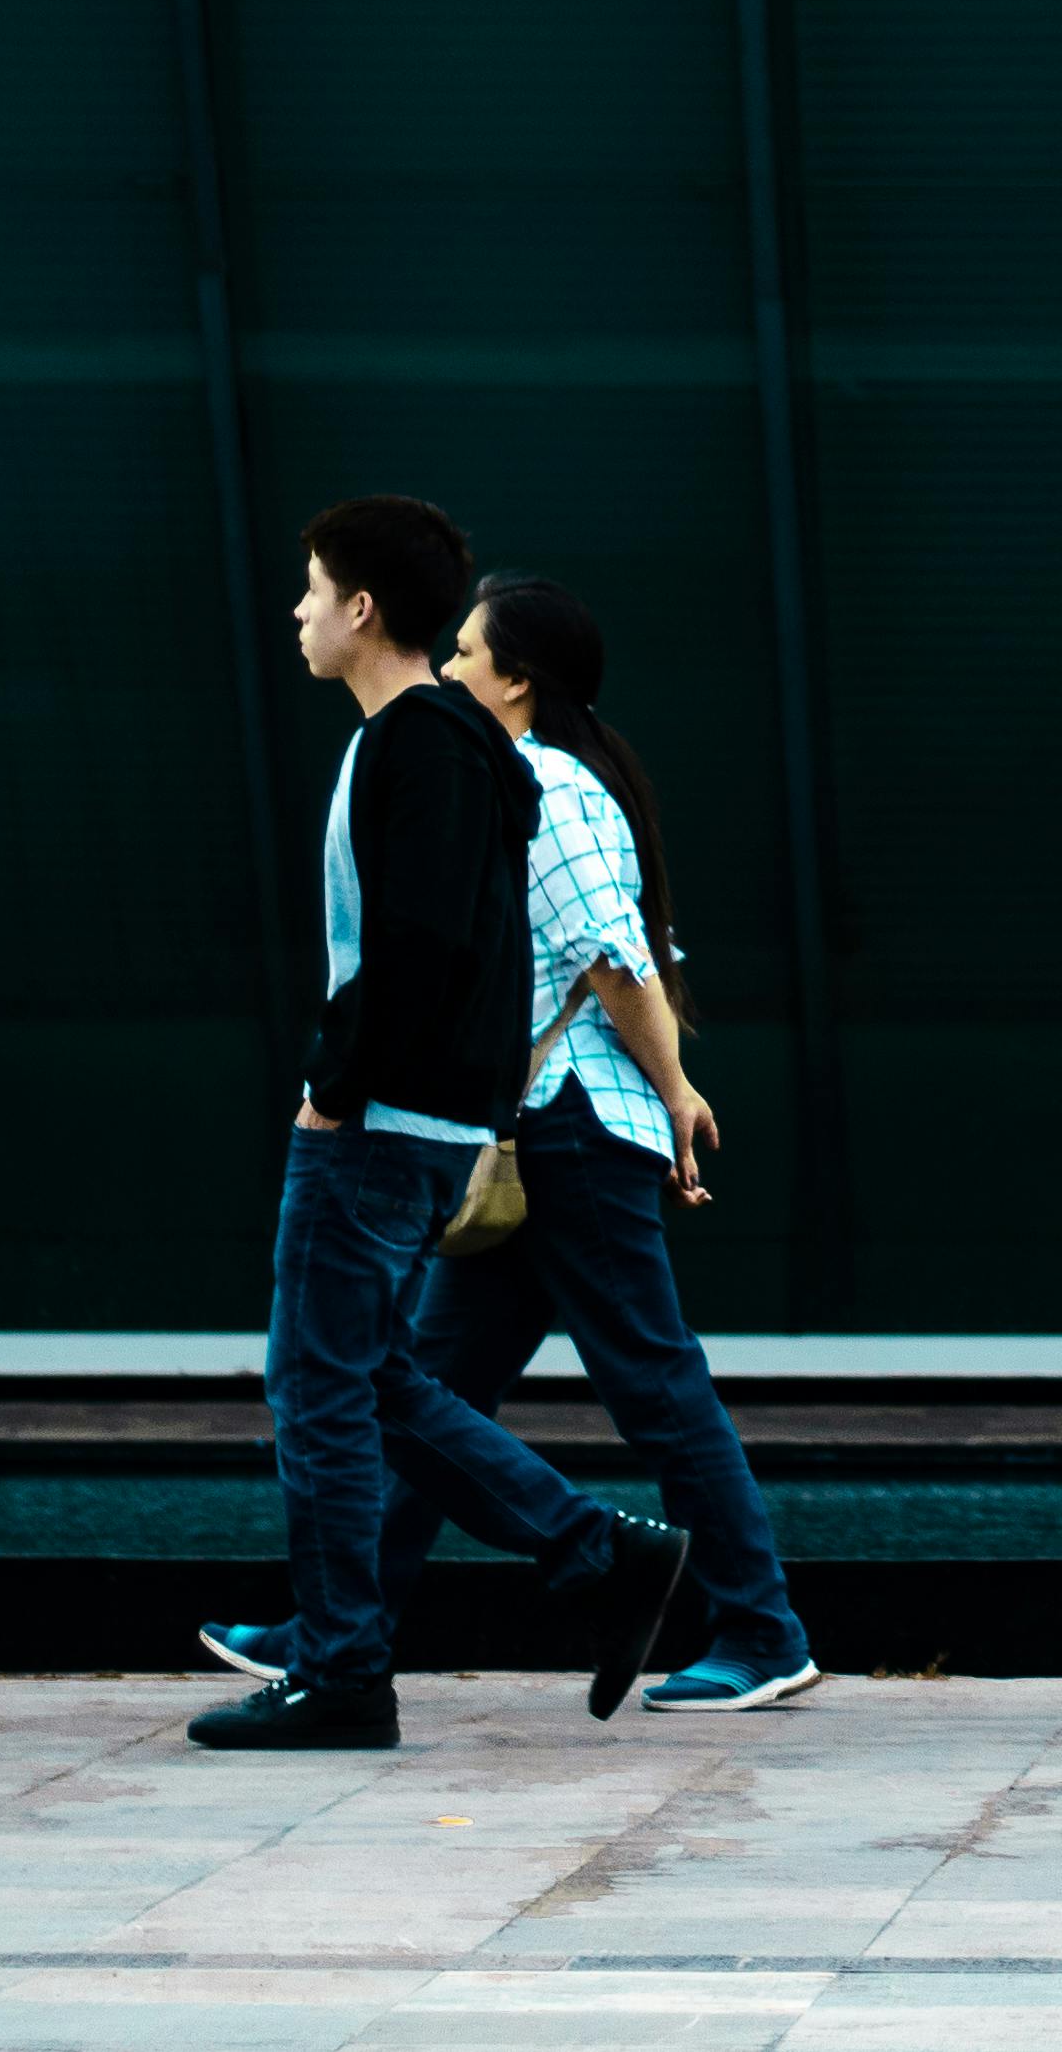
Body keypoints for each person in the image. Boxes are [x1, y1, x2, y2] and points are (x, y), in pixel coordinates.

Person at [202, 571, 818, 1711]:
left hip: (572, 1129)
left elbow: (611, 954)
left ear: (519, 681)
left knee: (654, 1385)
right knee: (430, 1386)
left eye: (470, 656)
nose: (447, 671)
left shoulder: (543, 776)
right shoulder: (515, 771)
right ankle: (343, 1625)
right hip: (531, 1136)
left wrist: (678, 1088)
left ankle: (762, 1625)